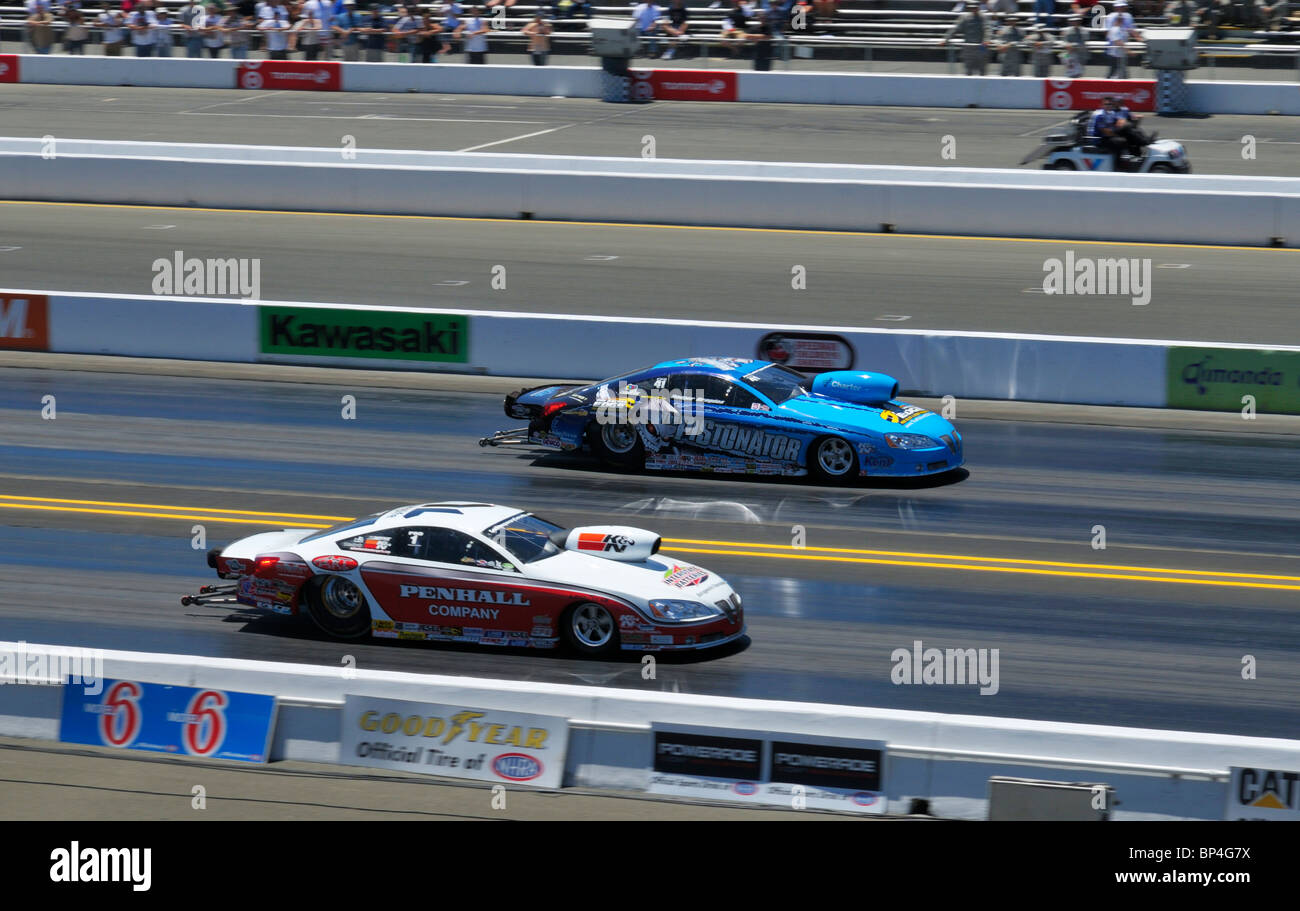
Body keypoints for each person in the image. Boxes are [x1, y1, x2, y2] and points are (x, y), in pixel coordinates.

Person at [1088, 95, 1154, 169]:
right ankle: (1118, 166)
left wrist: (1124, 124)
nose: (1108, 106)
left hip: (1108, 136)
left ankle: (1140, 150)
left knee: (1129, 128)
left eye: (1110, 104)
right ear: (1102, 105)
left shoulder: (1111, 113)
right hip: (1100, 139)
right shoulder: (1100, 115)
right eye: (1106, 104)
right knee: (1121, 141)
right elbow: (1105, 131)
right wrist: (1118, 133)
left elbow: (1119, 122)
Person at [939, 1, 989, 76]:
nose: (974, 9)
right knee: (968, 67)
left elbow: (987, 29)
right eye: (972, 8)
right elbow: (955, 29)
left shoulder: (983, 17)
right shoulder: (965, 17)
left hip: (981, 46)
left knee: (982, 68)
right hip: (969, 46)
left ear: (978, 8)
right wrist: (946, 39)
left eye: (975, 8)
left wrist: (986, 40)